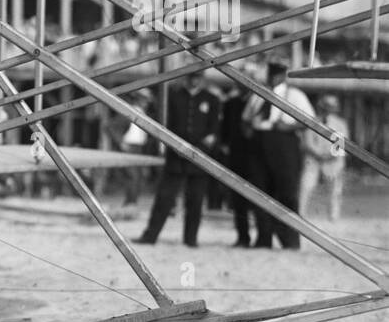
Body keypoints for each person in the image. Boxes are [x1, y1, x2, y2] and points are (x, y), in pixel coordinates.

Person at [135, 73, 221, 247]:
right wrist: (174, 145)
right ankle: (151, 235)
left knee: (195, 200)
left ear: (202, 78)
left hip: (199, 156)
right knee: (164, 198)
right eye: (191, 77)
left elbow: (214, 130)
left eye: (197, 77)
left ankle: (191, 239)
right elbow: (168, 123)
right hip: (176, 155)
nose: (193, 80)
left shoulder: (211, 99)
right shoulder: (174, 97)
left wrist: (203, 146)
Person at [242, 61, 314, 250]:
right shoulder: (258, 95)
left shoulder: (295, 95)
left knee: (287, 194)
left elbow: (308, 120)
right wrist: (248, 131)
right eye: (270, 74)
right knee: (260, 191)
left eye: (276, 74)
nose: (272, 78)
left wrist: (289, 126)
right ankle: (263, 238)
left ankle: (289, 240)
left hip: (284, 144)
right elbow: (246, 118)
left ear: (283, 75)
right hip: (259, 143)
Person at [219, 76, 261, 246]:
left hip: (257, 157)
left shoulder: (259, 102)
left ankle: (263, 238)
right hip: (236, 156)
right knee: (238, 199)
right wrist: (224, 146)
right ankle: (243, 236)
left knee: (259, 197)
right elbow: (224, 129)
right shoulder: (231, 103)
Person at [299, 94, 347, 222]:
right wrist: (319, 154)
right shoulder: (312, 121)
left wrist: (328, 156)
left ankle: (333, 216)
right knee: (306, 185)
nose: (328, 110)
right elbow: (307, 142)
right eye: (326, 107)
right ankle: (301, 214)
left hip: (332, 160)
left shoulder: (339, 124)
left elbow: (339, 147)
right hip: (314, 158)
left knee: (334, 189)